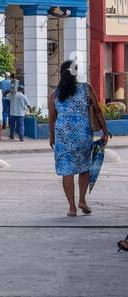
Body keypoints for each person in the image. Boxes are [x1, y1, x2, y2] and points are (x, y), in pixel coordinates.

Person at [49, 60, 105, 217]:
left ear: (61, 74)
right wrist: (105, 131)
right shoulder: (86, 89)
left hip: (63, 137)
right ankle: (82, 200)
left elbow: (52, 119)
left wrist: (52, 137)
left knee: (67, 171)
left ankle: (72, 208)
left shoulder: (55, 94)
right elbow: (98, 110)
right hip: (82, 135)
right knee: (84, 168)